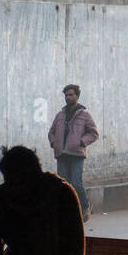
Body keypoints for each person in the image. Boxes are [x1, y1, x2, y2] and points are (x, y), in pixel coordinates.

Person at [47, 84, 99, 220]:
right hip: (62, 155)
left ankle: (85, 206)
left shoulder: (84, 114)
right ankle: (68, 212)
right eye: (66, 95)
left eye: (71, 95)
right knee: (63, 184)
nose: (68, 97)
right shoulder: (60, 115)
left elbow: (94, 133)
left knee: (76, 183)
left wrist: (82, 142)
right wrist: (54, 143)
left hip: (76, 154)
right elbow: (51, 132)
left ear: (77, 96)